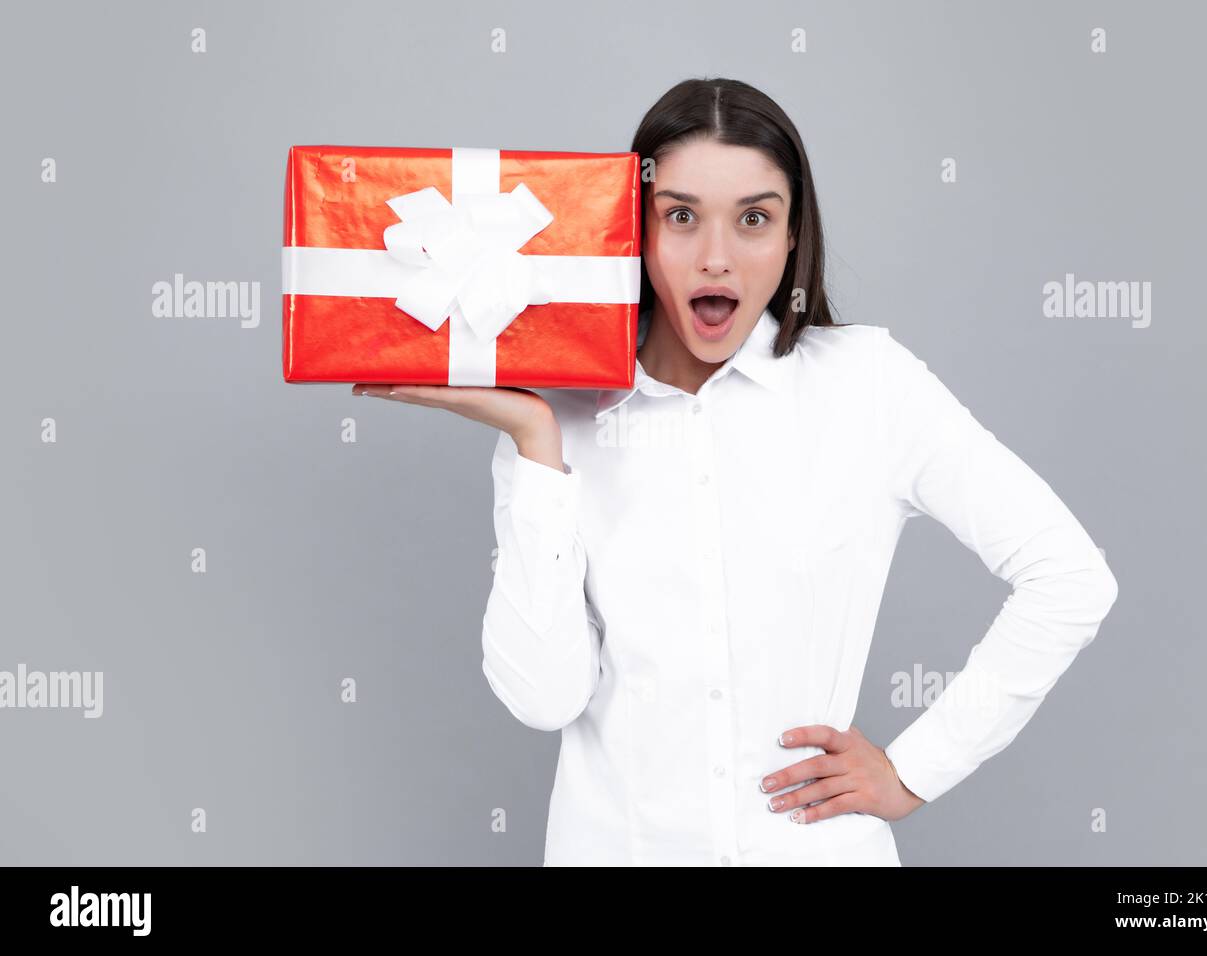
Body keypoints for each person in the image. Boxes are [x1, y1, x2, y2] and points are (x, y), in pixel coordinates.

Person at [351, 77, 1119, 866]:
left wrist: (916, 769)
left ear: (793, 238)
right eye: (679, 216)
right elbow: (544, 700)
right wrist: (534, 439)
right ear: (633, 233)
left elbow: (1069, 577)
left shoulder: (869, 386)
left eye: (754, 218)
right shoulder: (558, 416)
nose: (715, 257)